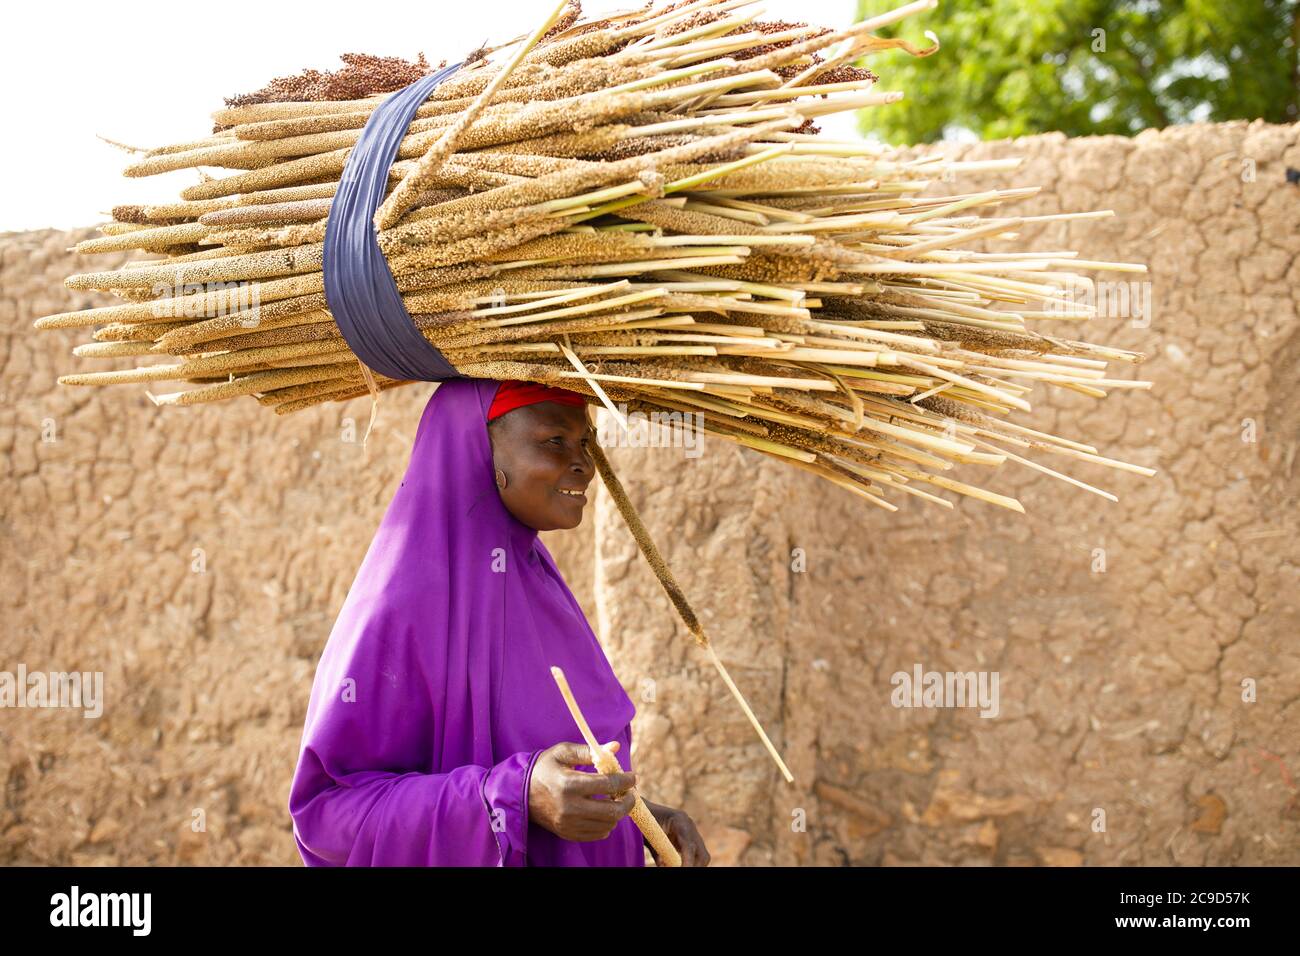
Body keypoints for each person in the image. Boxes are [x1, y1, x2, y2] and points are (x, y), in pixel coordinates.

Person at [287, 376, 709, 866]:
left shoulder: (537, 587)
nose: (585, 464)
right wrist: (512, 796)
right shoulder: (401, 603)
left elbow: (552, 770)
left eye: (586, 442)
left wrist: (641, 820)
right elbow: (326, 812)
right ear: (479, 448)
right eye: (555, 440)